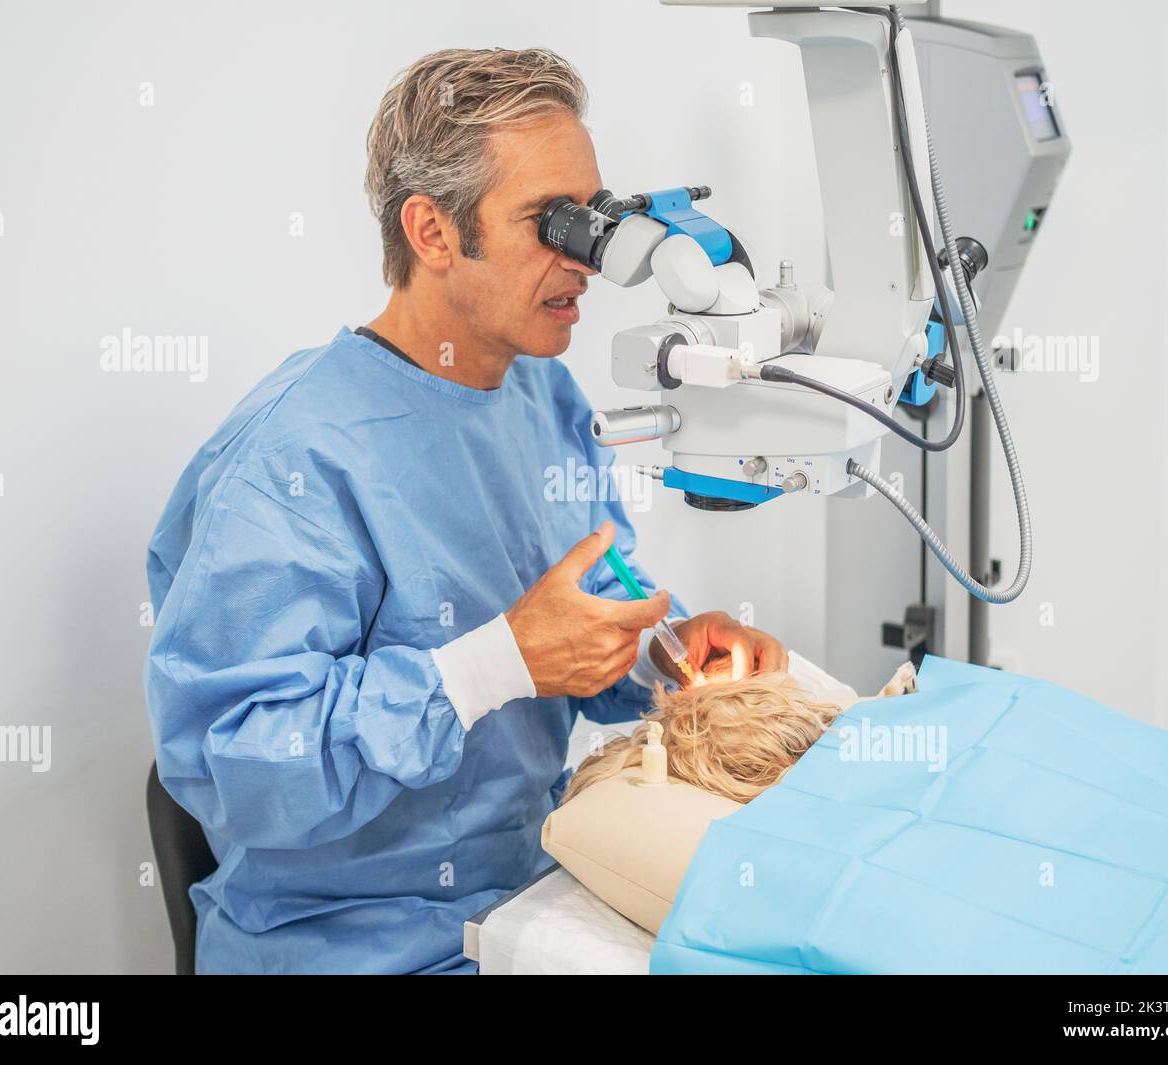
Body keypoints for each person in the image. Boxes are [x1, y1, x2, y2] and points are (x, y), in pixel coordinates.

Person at [144, 46, 787, 974]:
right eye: (549, 222)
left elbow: (587, 599)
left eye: (595, 219)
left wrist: (671, 650)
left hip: (532, 897)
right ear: (434, 232)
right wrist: (496, 663)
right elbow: (235, 767)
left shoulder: (541, 396)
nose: (588, 258)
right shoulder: (293, 459)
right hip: (357, 945)